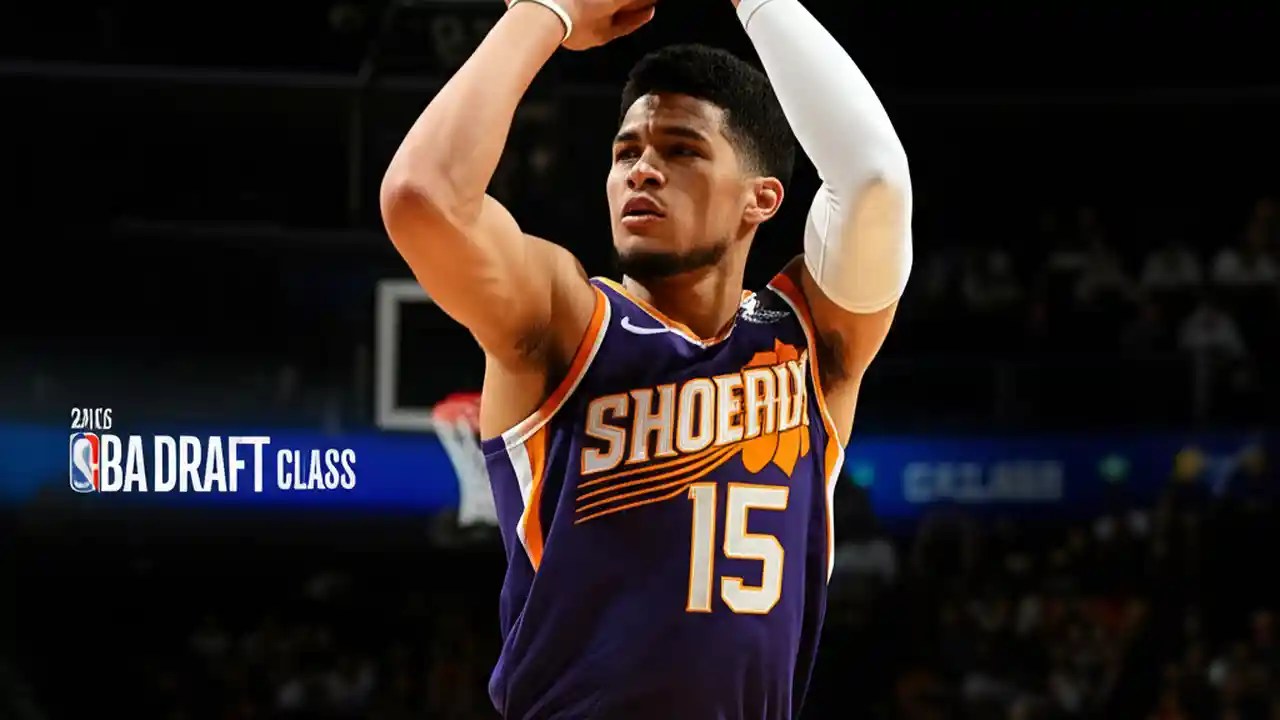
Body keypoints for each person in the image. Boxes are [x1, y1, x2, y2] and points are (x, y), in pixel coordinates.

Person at [379, 0, 911, 716]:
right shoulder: (564, 320)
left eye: (681, 150)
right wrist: (548, 10)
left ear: (761, 199)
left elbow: (875, 181)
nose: (643, 171)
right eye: (626, 152)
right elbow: (422, 197)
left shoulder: (810, 340)